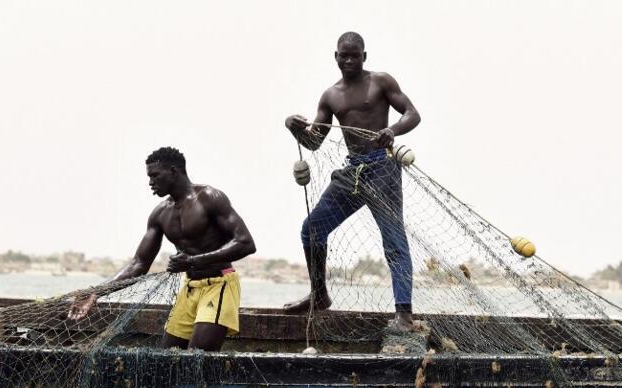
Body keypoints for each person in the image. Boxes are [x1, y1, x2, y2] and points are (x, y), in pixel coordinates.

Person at [284, 31, 421, 330]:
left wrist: (393, 132)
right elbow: (314, 142)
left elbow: (412, 114)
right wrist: (294, 128)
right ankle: (319, 295)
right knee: (312, 228)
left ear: (364, 56)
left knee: (394, 240)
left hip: (382, 169)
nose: (348, 60)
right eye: (343, 55)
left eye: (354, 55)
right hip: (353, 172)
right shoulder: (330, 96)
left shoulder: (381, 81)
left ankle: (403, 314)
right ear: (335, 57)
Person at [68, 147, 256, 351]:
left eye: (155, 175)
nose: (150, 182)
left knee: (196, 358)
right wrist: (97, 292)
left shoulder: (209, 197)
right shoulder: (159, 214)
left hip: (219, 285)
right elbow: (138, 264)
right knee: (167, 357)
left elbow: (246, 243)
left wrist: (194, 261)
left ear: (174, 171)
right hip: (190, 287)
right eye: (149, 176)